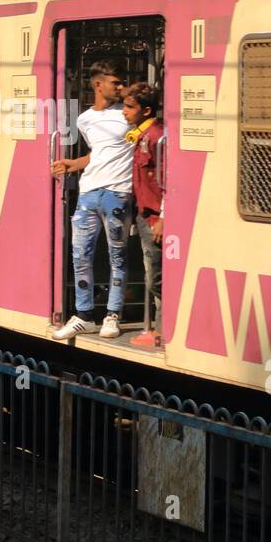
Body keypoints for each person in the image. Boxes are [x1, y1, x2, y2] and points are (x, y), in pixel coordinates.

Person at [49, 61, 132, 340]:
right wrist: (74, 163)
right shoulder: (85, 119)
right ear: (98, 85)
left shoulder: (129, 115)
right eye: (115, 82)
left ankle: (112, 315)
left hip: (118, 193)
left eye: (122, 83)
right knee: (80, 255)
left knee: (117, 256)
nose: (120, 87)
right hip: (88, 193)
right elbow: (99, 153)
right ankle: (84, 316)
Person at [122, 83, 164, 349]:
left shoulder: (158, 137)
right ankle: (161, 328)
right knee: (153, 272)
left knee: (156, 277)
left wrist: (164, 216)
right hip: (143, 213)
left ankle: (162, 329)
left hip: (155, 217)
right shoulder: (141, 135)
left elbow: (170, 179)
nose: (124, 112)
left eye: (129, 107)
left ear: (146, 110)